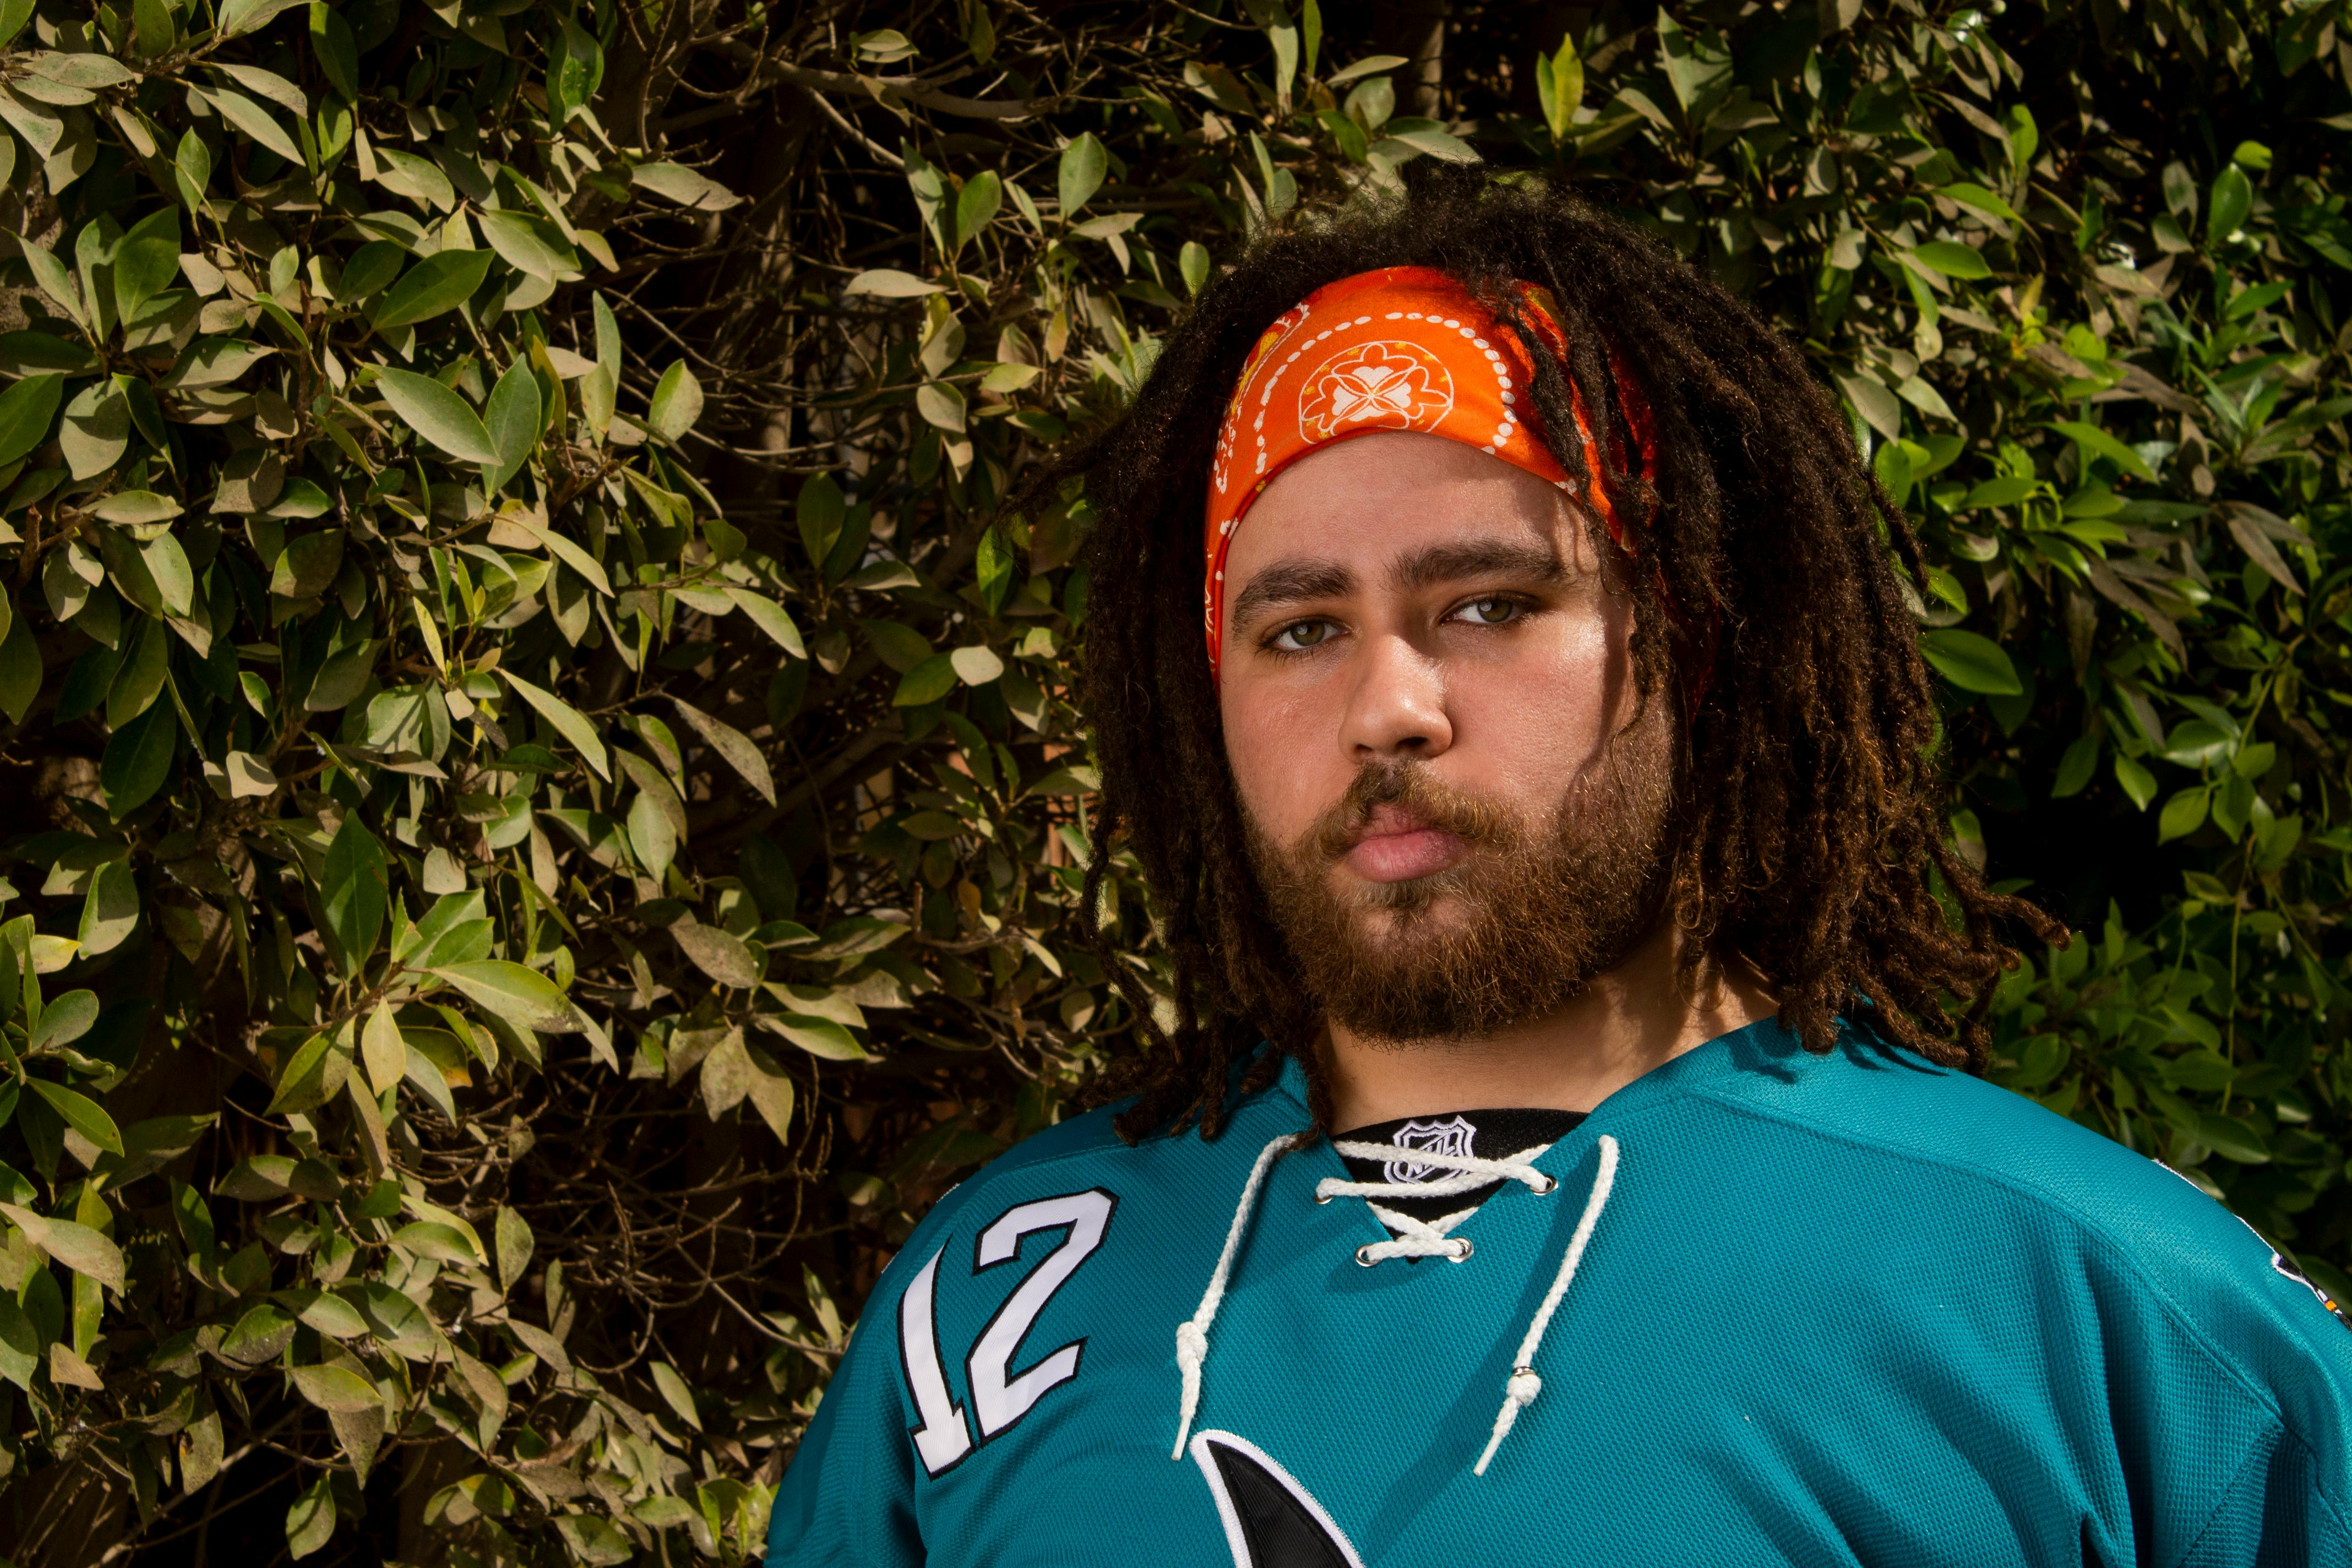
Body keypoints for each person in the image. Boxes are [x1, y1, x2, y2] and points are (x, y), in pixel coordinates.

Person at [765, 172, 2352, 1565]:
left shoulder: (2095, 1304)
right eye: (1300, 630)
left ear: (1692, 640)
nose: (1387, 706)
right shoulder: (1003, 1290)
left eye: (1488, 606)